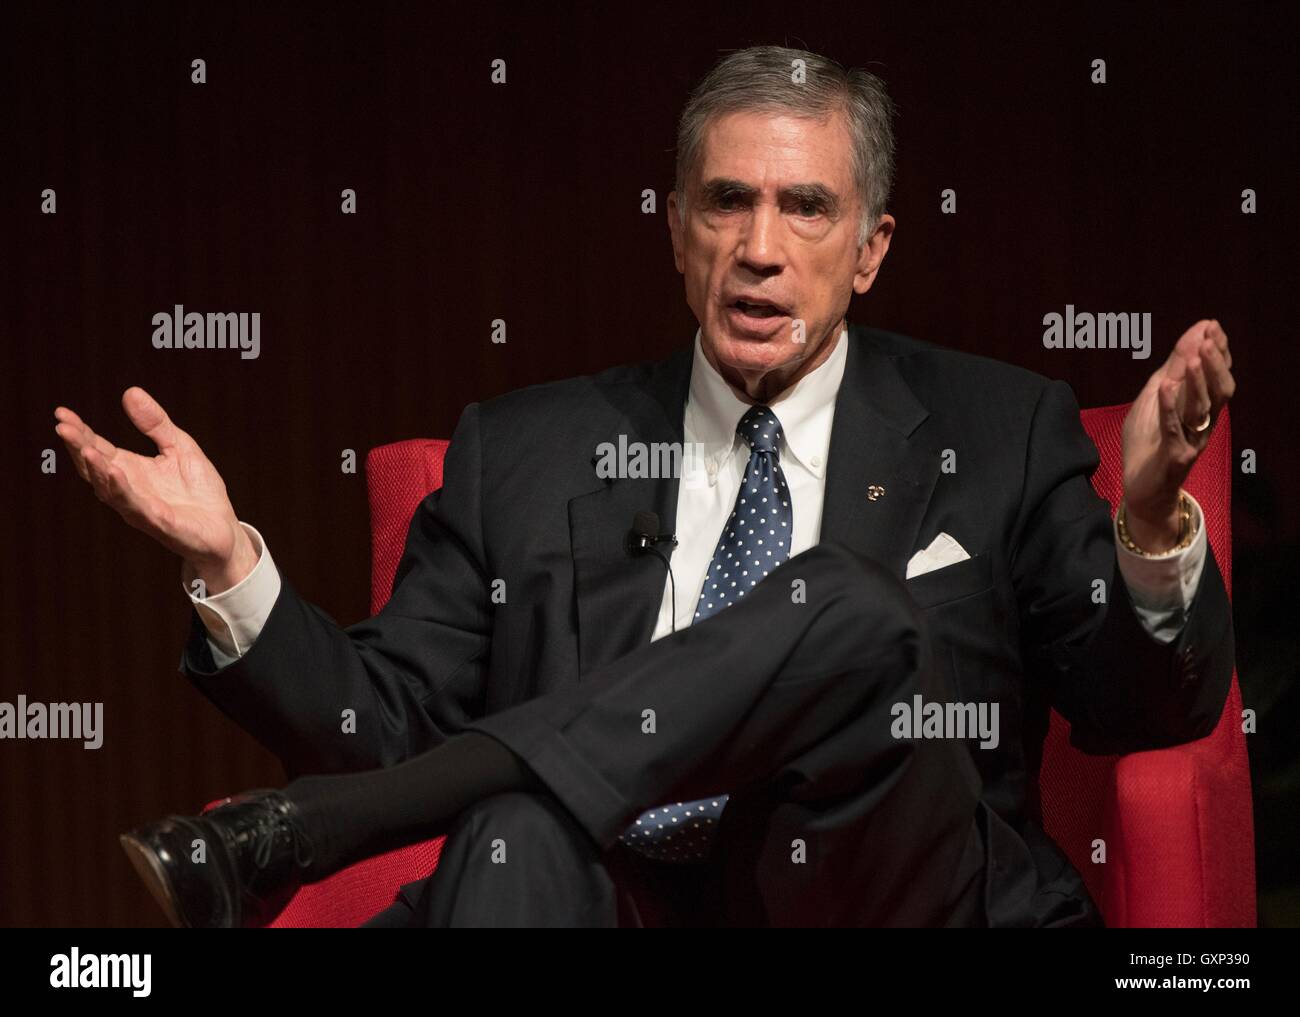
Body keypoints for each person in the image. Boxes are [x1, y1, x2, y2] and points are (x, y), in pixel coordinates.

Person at [56, 45, 1236, 928]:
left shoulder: (996, 428)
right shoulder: (525, 450)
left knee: (855, 609)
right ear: (675, 230)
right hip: (617, 900)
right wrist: (229, 568)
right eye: (725, 202)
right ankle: (347, 826)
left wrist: (1144, 525)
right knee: (514, 834)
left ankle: (304, 840)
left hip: (887, 888)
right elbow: (385, 724)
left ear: (870, 247)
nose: (758, 247)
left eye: (805, 207)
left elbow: (1147, 714)